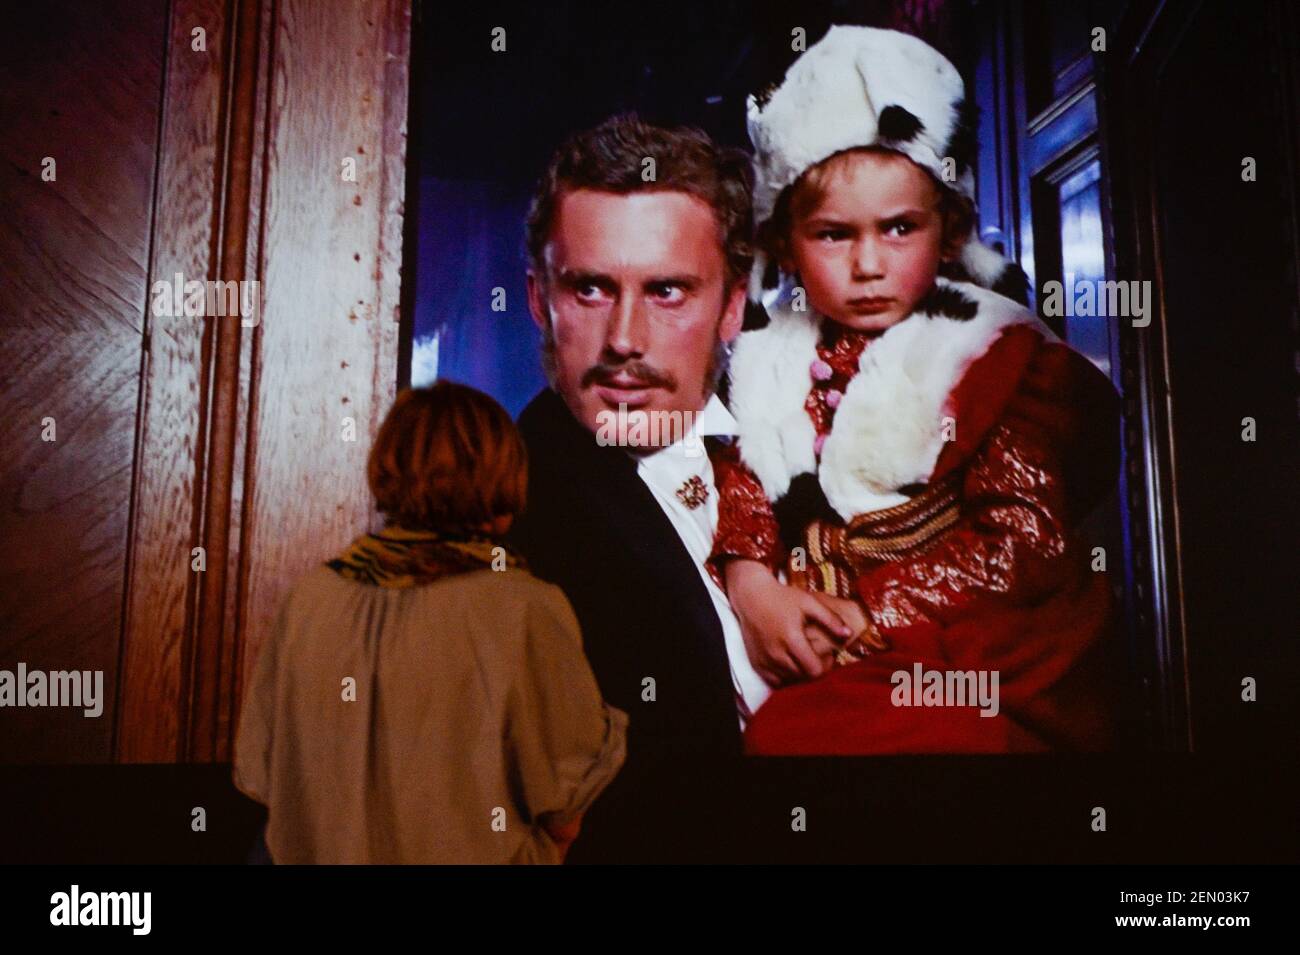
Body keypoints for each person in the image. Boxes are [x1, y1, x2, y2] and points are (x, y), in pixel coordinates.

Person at [708, 26, 1121, 753]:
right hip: (811, 631)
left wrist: (862, 612)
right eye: (834, 235)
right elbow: (743, 478)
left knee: (810, 742)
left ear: (948, 228)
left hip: (975, 642)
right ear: (785, 244)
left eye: (899, 228)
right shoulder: (768, 354)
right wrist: (752, 582)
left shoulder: (991, 353)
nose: (869, 263)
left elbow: (1022, 543)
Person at [508, 114, 863, 859]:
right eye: (591, 289)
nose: (625, 339)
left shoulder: (830, 441)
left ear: (732, 306)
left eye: (667, 291)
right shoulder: (504, 513)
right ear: (541, 300)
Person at [232, 382, 626, 863]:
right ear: (506, 472)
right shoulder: (524, 608)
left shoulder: (311, 597)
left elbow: (261, 776)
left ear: (387, 466)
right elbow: (568, 799)